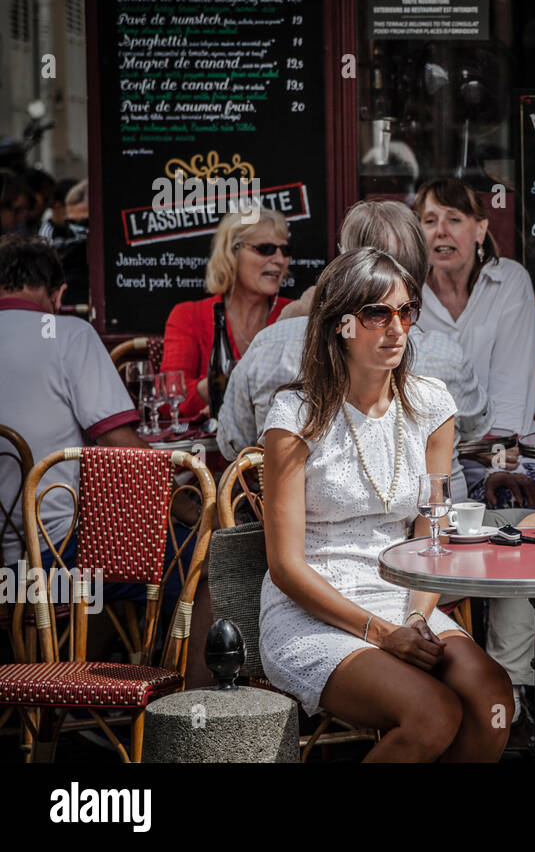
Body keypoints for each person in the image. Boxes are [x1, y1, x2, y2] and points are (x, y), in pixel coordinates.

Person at [259, 247, 513, 761]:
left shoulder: (430, 405)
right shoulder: (295, 416)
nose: (397, 327)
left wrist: (415, 621)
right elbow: (285, 567)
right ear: (340, 325)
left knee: (493, 697)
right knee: (432, 712)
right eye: (377, 313)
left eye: (406, 310)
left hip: (404, 598)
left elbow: (429, 534)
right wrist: (382, 633)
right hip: (312, 611)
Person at [0, 236, 205, 677]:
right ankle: (189, 722)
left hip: (10, 578)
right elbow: (121, 447)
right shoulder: (64, 334)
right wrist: (186, 503)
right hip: (50, 564)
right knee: (205, 568)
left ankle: (65, 692)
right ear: (57, 294)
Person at [217, 199, 492, 507]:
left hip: (312, 521)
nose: (394, 333)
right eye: (375, 314)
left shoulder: (271, 343)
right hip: (418, 529)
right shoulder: (444, 354)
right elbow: (476, 427)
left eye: (403, 313)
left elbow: (234, 444)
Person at [412, 176, 535, 742]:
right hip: (439, 451)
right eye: (429, 220)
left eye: (453, 218)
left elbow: (513, 387)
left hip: (506, 444)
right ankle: (463, 671)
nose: (441, 231)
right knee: (467, 520)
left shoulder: (509, 280)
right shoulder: (404, 291)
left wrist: (501, 460)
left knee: (521, 512)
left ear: (480, 229)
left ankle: (513, 685)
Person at [161, 208, 293, 421]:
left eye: (285, 250)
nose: (279, 259)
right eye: (265, 248)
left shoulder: (294, 315)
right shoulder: (188, 316)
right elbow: (169, 400)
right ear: (231, 252)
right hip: (205, 451)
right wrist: (218, 387)